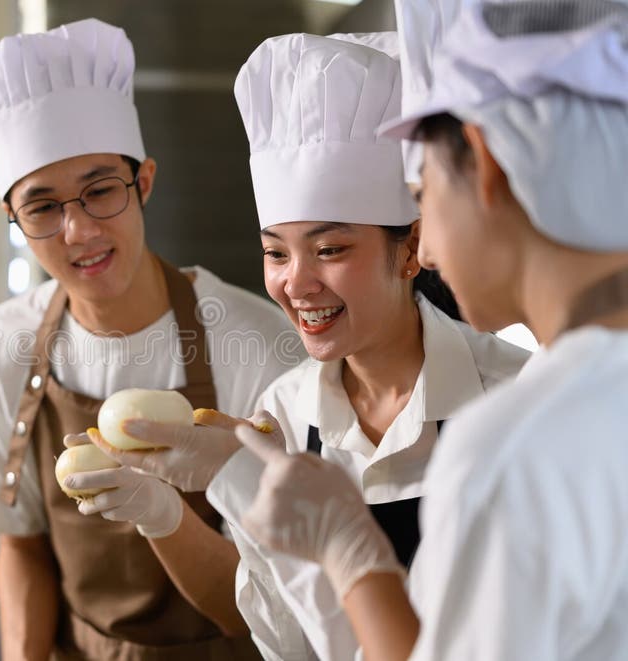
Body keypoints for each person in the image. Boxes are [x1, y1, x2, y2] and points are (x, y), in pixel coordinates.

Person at [86, 32, 528, 660]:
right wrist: (198, 500)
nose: (295, 283)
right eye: (274, 252)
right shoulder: (285, 413)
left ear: (409, 249)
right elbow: (286, 644)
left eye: (330, 249)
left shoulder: (514, 398)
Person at [232, 2, 628, 660]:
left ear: (485, 161)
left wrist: (346, 545)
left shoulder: (513, 446)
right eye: (277, 251)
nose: (432, 251)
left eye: (422, 194)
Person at [0, 18, 298, 660]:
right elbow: (21, 549)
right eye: (43, 206)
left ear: (145, 182)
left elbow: (273, 605)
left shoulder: (260, 344)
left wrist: (165, 517)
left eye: (100, 190)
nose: (78, 230)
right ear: (14, 220)